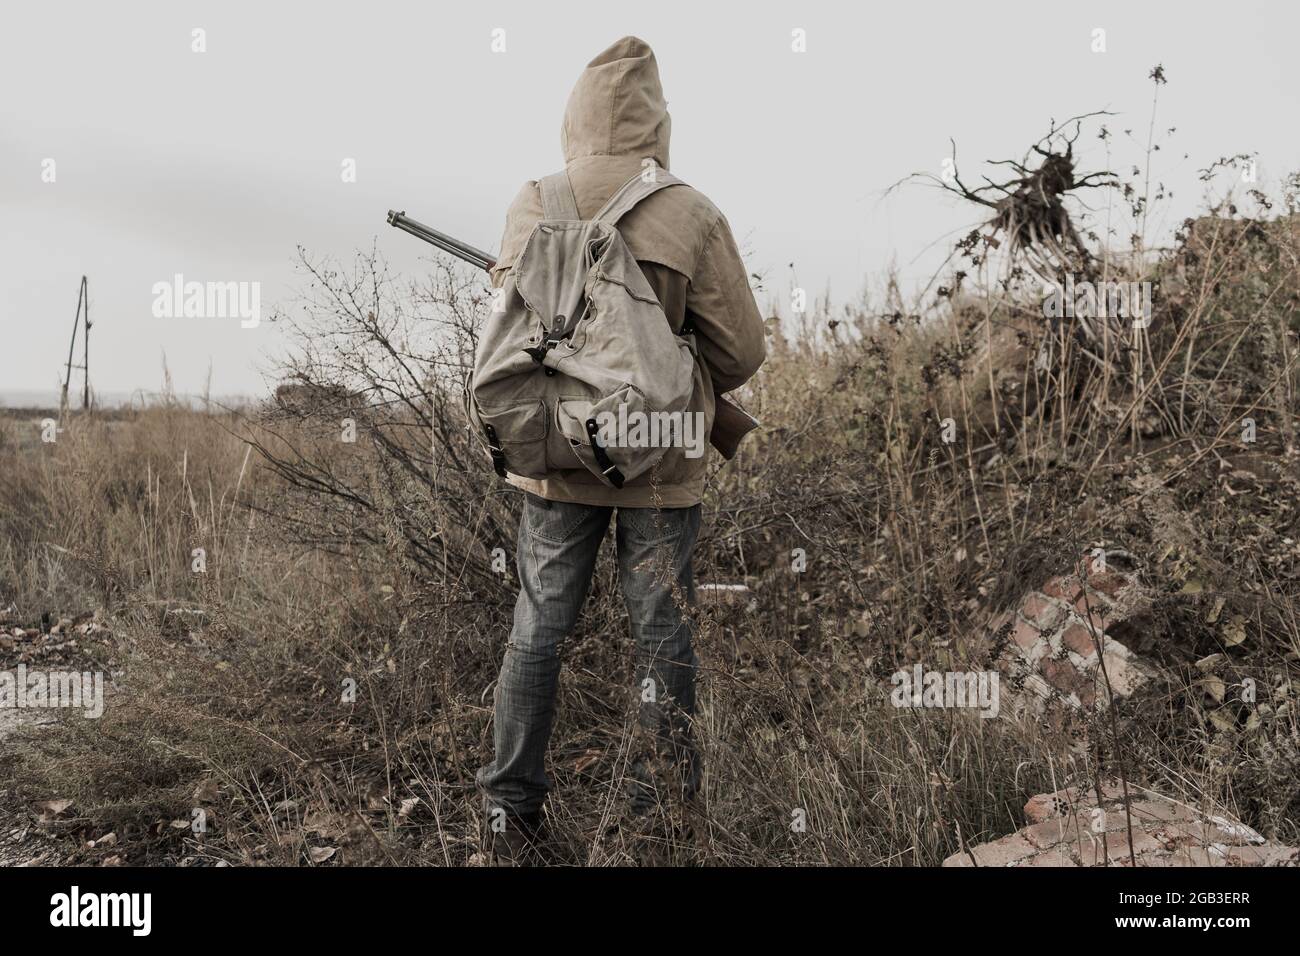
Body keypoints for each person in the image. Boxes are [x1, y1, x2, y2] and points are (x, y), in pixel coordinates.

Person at [475, 35, 765, 862]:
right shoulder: (692, 211)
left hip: (553, 460)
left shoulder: (532, 200)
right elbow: (742, 354)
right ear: (657, 125)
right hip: (661, 464)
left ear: (572, 118)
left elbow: (512, 327)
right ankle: (659, 816)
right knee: (662, 634)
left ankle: (509, 813)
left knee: (537, 629)